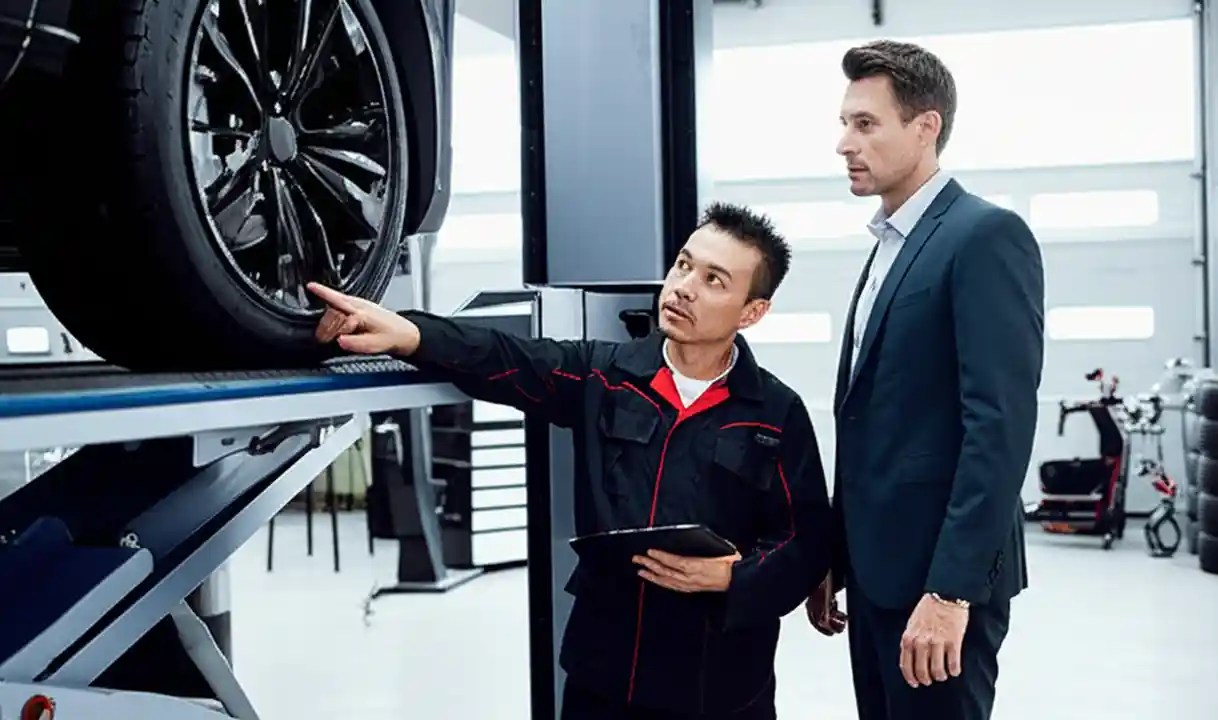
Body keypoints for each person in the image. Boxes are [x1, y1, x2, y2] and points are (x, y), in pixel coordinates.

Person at [309, 202, 833, 720]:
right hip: (605, 679)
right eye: (683, 265)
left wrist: (733, 578)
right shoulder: (603, 376)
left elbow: (805, 540)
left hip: (720, 687)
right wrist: (411, 334)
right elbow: (502, 357)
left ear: (751, 312)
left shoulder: (775, 414)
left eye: (713, 280)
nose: (683, 287)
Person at [804, 40, 1045, 720]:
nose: (845, 143)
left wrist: (951, 592)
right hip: (877, 576)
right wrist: (836, 555)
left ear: (925, 127)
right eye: (844, 123)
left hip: (938, 587)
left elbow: (998, 426)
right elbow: (872, 423)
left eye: (865, 124)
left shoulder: (983, 236)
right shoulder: (890, 245)